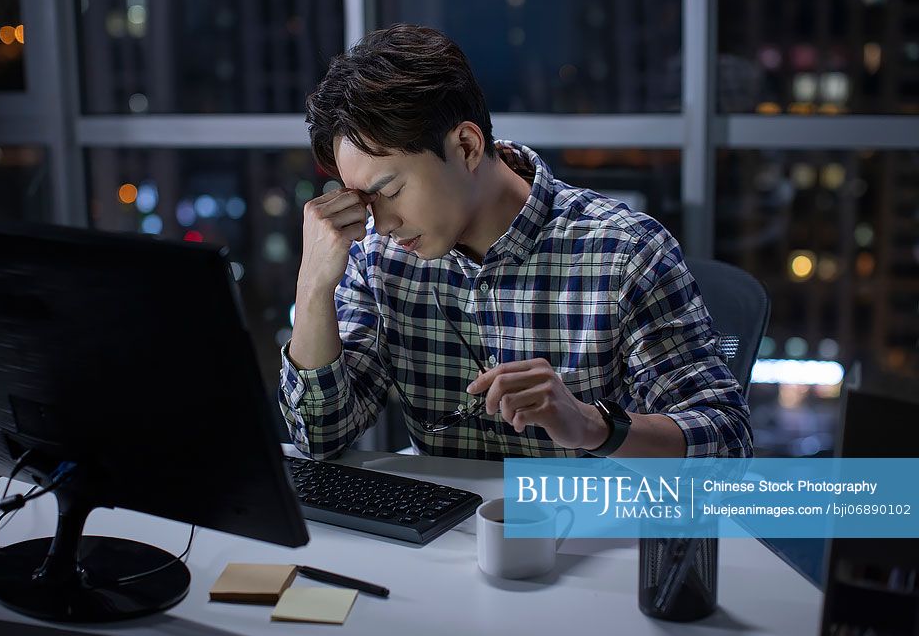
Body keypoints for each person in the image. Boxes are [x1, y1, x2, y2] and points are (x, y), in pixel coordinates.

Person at [278, 24, 751, 461]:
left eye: (390, 190)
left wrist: (594, 426)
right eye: (364, 200)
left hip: (592, 537)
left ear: (466, 146)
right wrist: (313, 285)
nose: (381, 223)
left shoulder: (626, 252)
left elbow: (727, 441)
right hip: (444, 543)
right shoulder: (377, 259)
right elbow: (320, 435)